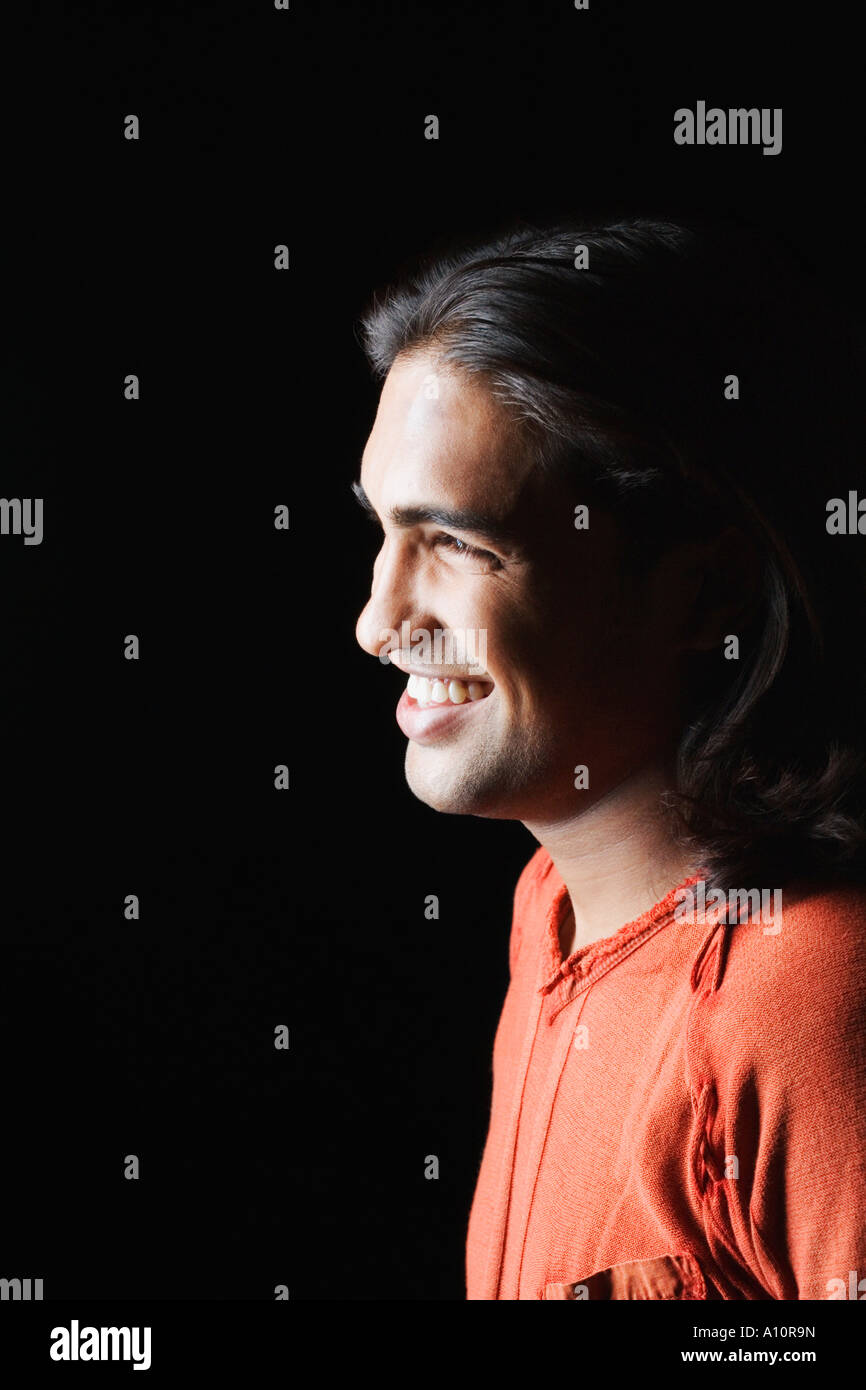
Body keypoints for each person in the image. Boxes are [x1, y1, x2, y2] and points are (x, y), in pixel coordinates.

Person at [353, 217, 866, 1300]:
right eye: (382, 533)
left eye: (453, 541)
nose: (375, 620)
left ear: (702, 589)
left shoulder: (808, 991)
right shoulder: (544, 906)